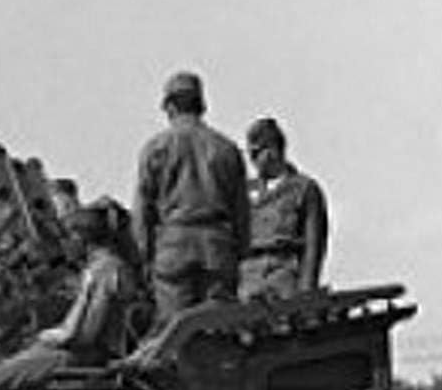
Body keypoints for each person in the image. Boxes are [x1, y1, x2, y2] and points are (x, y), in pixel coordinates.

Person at [0, 199, 137, 390]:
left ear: (83, 238)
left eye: (70, 236)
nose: (66, 244)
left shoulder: (100, 272)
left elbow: (81, 335)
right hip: (79, 354)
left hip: (74, 358)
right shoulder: (113, 266)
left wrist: (47, 337)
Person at [132, 71, 250, 326]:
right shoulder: (227, 149)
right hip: (217, 247)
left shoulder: (155, 148)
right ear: (201, 105)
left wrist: (143, 257)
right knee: (219, 329)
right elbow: (242, 211)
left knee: (176, 333)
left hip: (173, 247)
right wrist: (239, 253)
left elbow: (143, 211)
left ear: (170, 107)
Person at [238, 116, 329, 301]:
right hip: (247, 275)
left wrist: (306, 291)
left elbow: (314, 245)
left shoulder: (304, 189)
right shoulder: (244, 191)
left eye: (257, 153)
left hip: (282, 272)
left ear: (273, 151)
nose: (253, 160)